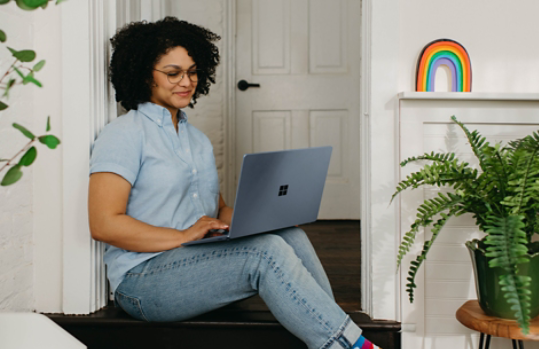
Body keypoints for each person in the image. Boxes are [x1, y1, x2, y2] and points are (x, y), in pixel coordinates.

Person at [88, 17, 382, 349]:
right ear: (144, 75)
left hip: (194, 259)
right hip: (143, 280)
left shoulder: (195, 139)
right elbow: (103, 224)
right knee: (265, 253)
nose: (186, 82)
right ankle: (348, 344)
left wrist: (271, 216)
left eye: (193, 71)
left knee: (289, 235)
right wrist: (182, 235)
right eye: (173, 73)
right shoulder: (123, 134)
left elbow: (217, 210)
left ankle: (333, 330)